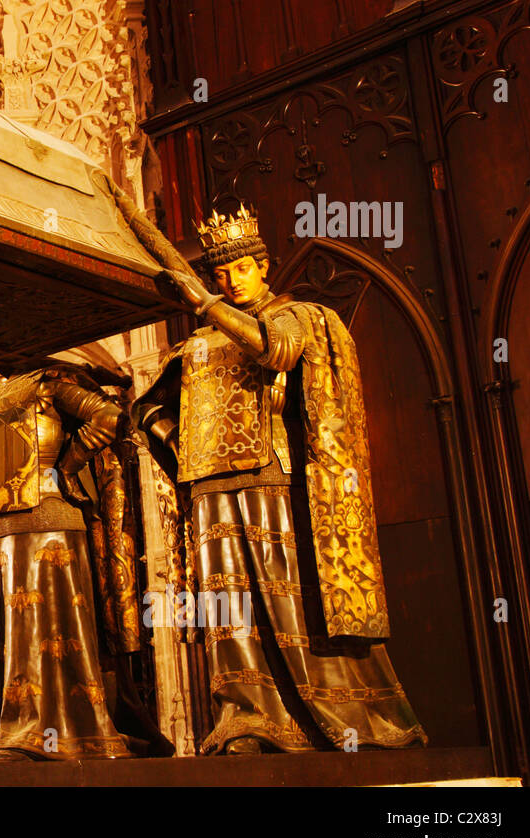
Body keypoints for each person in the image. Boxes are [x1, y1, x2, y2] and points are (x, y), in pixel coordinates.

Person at [131, 206, 427, 754]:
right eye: (220, 274)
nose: (230, 281)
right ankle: (248, 718)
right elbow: (148, 406)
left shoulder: (298, 316)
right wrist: (173, 435)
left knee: (288, 598)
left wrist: (206, 301)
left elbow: (276, 350)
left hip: (273, 475)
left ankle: (343, 717)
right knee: (229, 607)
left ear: (263, 268)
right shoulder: (199, 340)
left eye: (241, 269)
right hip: (209, 484)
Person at [0, 363, 159, 760]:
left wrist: (66, 464)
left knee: (51, 627)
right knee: (6, 635)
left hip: (48, 517)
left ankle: (57, 732)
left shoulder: (51, 386)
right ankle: (5, 732)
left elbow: (110, 417)